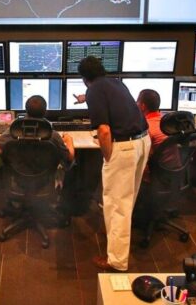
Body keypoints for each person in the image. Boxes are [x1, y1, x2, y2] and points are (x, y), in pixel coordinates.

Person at [74, 56, 151, 272]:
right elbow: (111, 101)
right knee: (127, 199)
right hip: (143, 141)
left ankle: (116, 261)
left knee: (117, 205)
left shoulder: (95, 90)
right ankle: (118, 237)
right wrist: (85, 98)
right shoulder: (116, 82)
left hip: (124, 148)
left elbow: (104, 131)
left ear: (84, 79)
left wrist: (108, 156)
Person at [0, 95, 75, 188]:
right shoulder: (53, 135)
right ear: (45, 111)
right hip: (45, 180)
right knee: (69, 164)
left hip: (19, 179)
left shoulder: (14, 131)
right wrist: (69, 140)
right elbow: (69, 158)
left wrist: (10, 162)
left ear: (26, 110)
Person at [136, 89, 177, 182]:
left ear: (142, 106)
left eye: (137, 101)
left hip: (158, 174)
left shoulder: (145, 127)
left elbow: (144, 160)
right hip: (176, 170)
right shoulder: (168, 122)